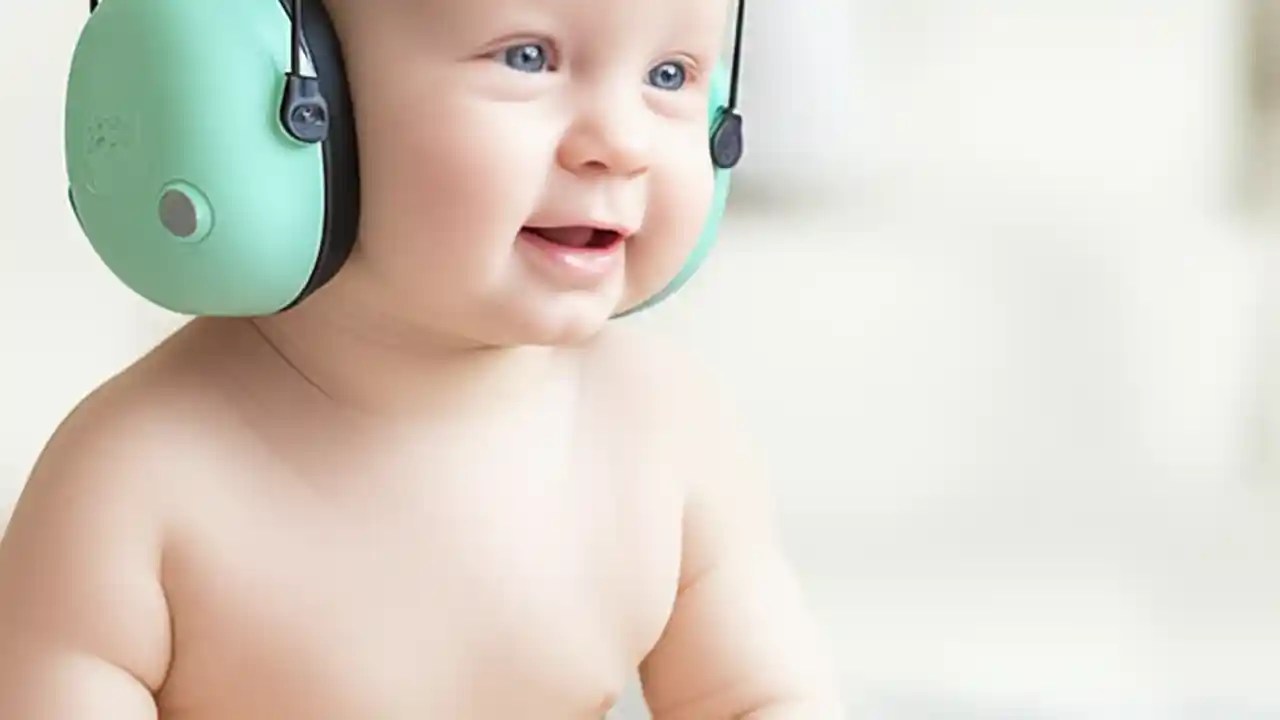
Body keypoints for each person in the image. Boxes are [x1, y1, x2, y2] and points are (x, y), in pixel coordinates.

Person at [0, 0, 841, 717]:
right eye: (528, 57)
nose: (622, 143)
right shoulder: (136, 483)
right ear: (297, 94)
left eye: (671, 76)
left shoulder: (665, 435)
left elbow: (756, 697)